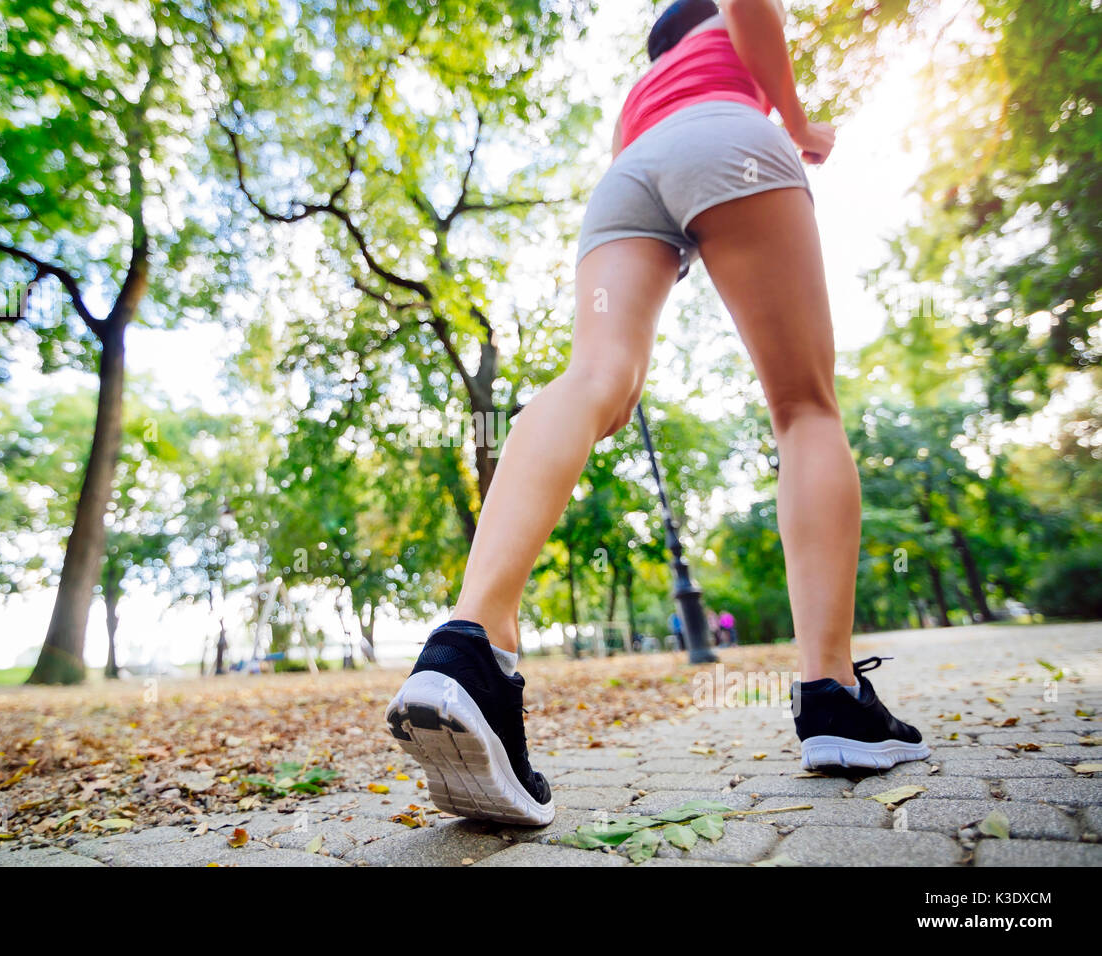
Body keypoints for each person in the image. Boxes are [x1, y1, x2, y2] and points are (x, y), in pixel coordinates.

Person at [385, 0, 929, 826]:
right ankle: (833, 694)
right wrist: (797, 118)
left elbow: (650, 187)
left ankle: (470, 644)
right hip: (732, 142)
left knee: (594, 377)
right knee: (805, 407)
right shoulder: (725, 39)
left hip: (628, 181)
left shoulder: (641, 93)